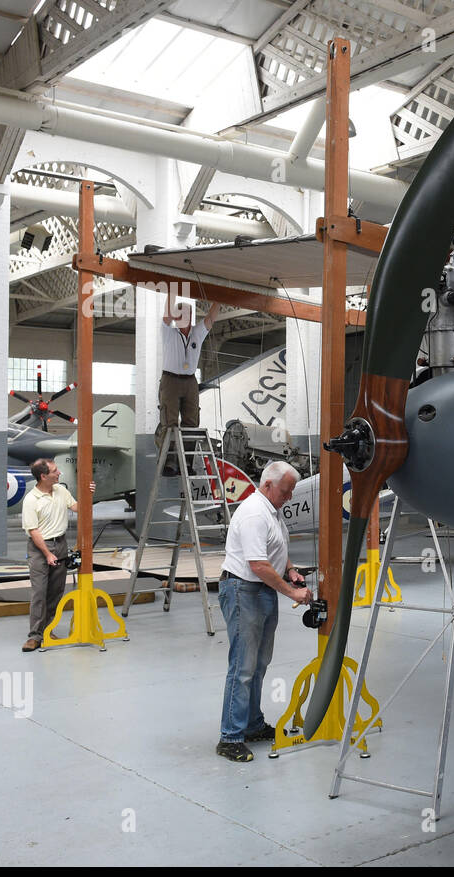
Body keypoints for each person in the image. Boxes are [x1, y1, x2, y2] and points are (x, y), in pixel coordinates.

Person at [215, 460, 310, 762]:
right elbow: (257, 564)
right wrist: (292, 592)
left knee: (258, 665)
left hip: (261, 590)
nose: (289, 497)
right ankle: (230, 737)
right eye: (286, 491)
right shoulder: (255, 513)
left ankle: (252, 725)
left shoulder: (272, 510)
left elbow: (275, 549)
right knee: (243, 667)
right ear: (268, 485)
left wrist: (290, 569)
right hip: (244, 591)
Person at [20, 459, 92, 651]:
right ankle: (35, 636)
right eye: (55, 471)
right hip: (40, 548)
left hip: (60, 544)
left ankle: (47, 630)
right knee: (39, 592)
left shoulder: (61, 490)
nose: (59, 473)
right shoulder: (31, 500)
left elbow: (78, 508)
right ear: (43, 476)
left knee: (55, 591)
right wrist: (47, 554)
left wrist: (89, 493)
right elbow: (33, 531)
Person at [156, 293, 220, 475]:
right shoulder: (168, 332)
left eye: (188, 313)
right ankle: (169, 463)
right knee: (170, 422)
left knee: (191, 422)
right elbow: (166, 314)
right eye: (181, 314)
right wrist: (172, 290)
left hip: (190, 381)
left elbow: (211, 318)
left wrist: (220, 298)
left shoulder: (197, 333)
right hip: (170, 380)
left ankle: (187, 463)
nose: (185, 317)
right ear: (175, 316)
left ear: (191, 316)